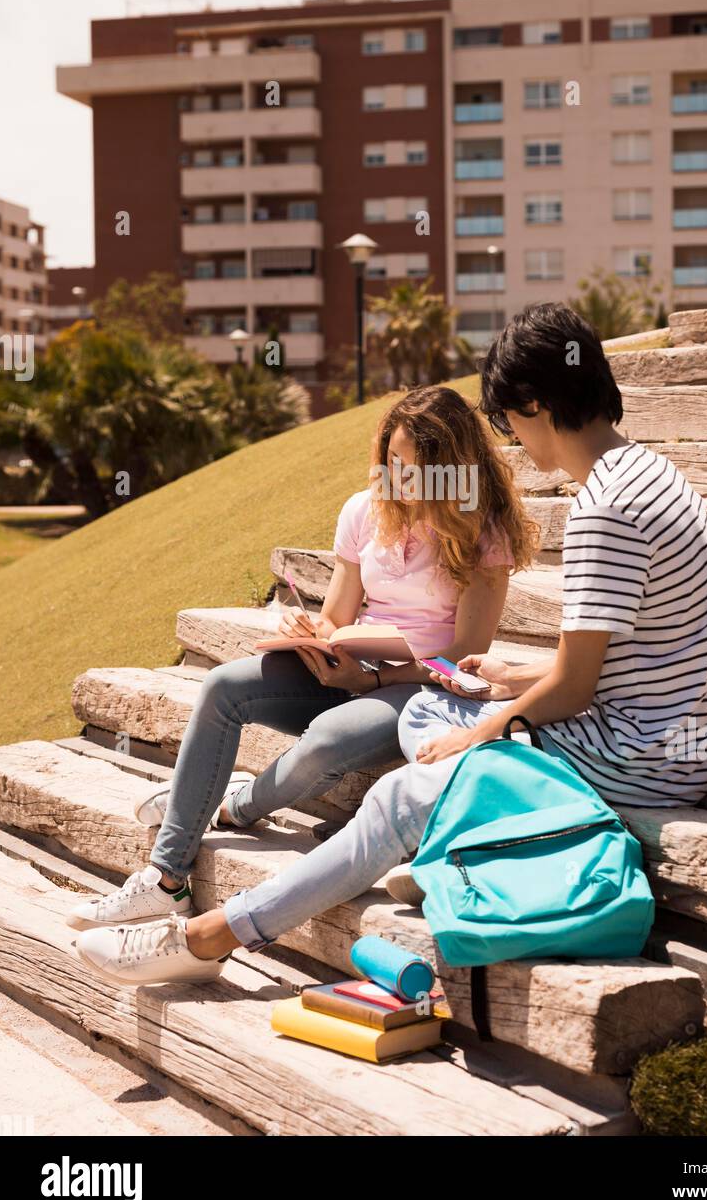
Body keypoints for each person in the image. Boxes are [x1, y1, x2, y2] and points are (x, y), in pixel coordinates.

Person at [69, 384, 536, 980]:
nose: (399, 480)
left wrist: (376, 679)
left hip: (422, 688)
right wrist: (313, 629)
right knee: (222, 689)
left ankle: (234, 804)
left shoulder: (482, 530)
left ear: (453, 470)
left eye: (415, 470)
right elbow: (340, 615)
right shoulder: (364, 511)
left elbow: (466, 653)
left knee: (327, 740)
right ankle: (166, 880)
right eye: (392, 464)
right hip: (351, 664)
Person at [397, 302, 707, 826]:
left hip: (640, 764)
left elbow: (576, 688)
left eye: (506, 418)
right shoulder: (650, 470)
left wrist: (476, 736)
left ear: (533, 404)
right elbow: (600, 666)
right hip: (685, 748)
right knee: (433, 713)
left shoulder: (603, 506)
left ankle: (481, 844)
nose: (510, 435)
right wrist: (509, 677)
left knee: (429, 720)